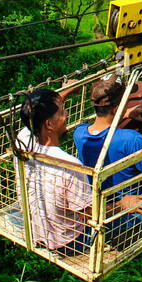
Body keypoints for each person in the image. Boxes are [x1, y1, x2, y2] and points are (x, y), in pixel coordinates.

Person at [74, 78, 142, 245]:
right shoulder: (132, 140)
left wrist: (125, 114)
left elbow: (104, 132)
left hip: (100, 205)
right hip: (130, 215)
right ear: (117, 108)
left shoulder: (79, 133)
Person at [15, 87, 93, 255]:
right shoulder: (70, 165)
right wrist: (122, 204)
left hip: (37, 231)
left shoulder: (21, 143)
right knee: (127, 217)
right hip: (69, 242)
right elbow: (92, 215)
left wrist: (62, 94)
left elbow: (33, 114)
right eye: (62, 112)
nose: (66, 116)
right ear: (49, 124)